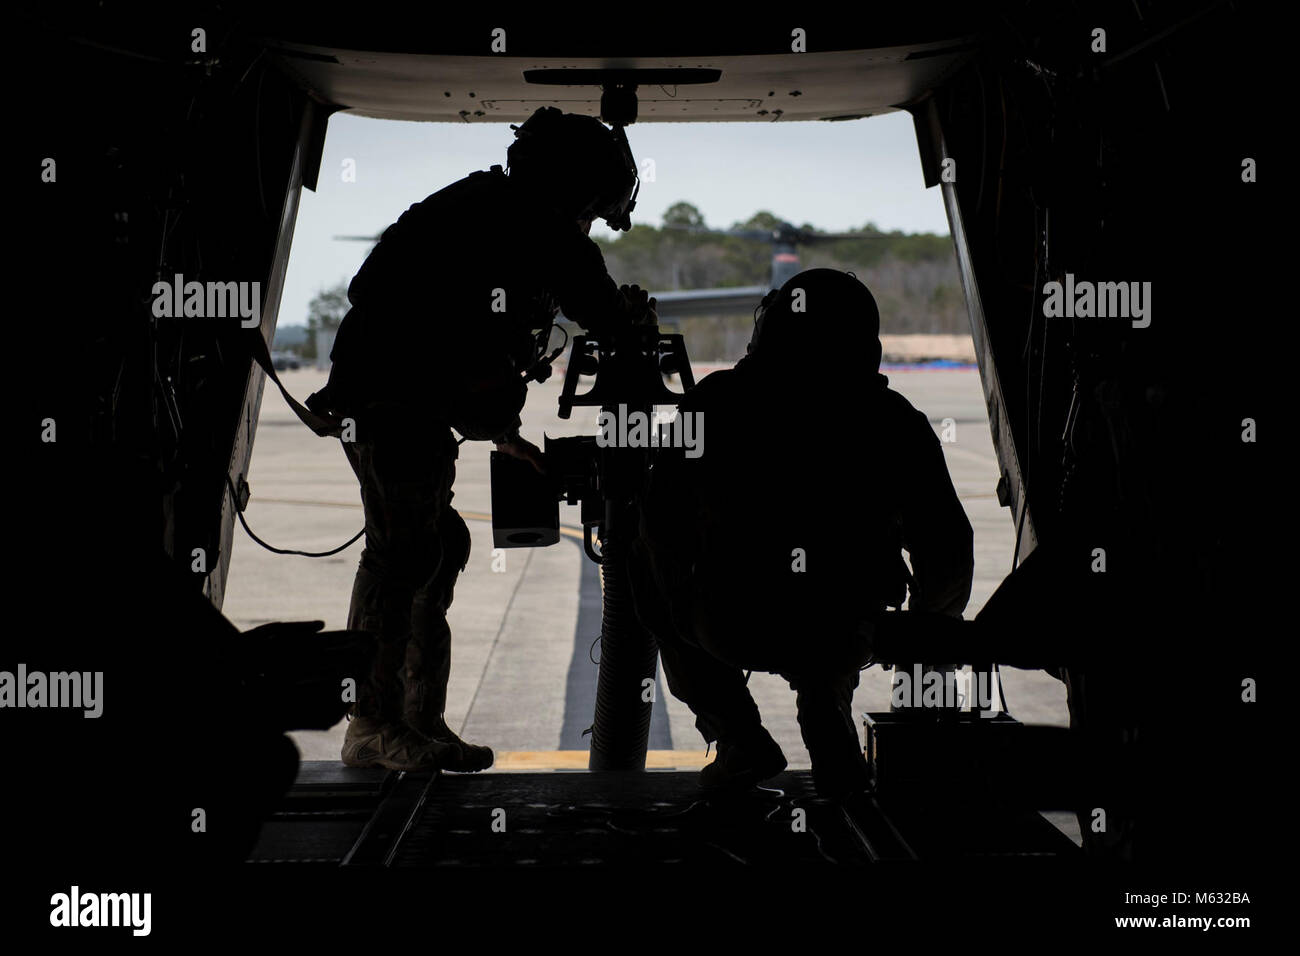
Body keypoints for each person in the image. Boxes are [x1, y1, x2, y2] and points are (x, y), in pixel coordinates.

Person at [308, 108, 656, 772]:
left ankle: (417, 719)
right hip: (392, 408)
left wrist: (505, 433)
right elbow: (602, 314)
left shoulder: (477, 207)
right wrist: (631, 318)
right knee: (402, 556)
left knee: (439, 545)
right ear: (578, 189)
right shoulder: (541, 231)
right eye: (593, 205)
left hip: (390, 403)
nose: (591, 219)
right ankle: (373, 727)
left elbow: (451, 337)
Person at [632, 269, 973, 798]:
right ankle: (827, 711)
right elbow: (949, 548)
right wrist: (924, 640)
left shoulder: (714, 403)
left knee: (641, 562)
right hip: (848, 626)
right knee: (830, 628)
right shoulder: (895, 420)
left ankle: (738, 735)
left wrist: (682, 603)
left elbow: (660, 526)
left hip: (733, 619)